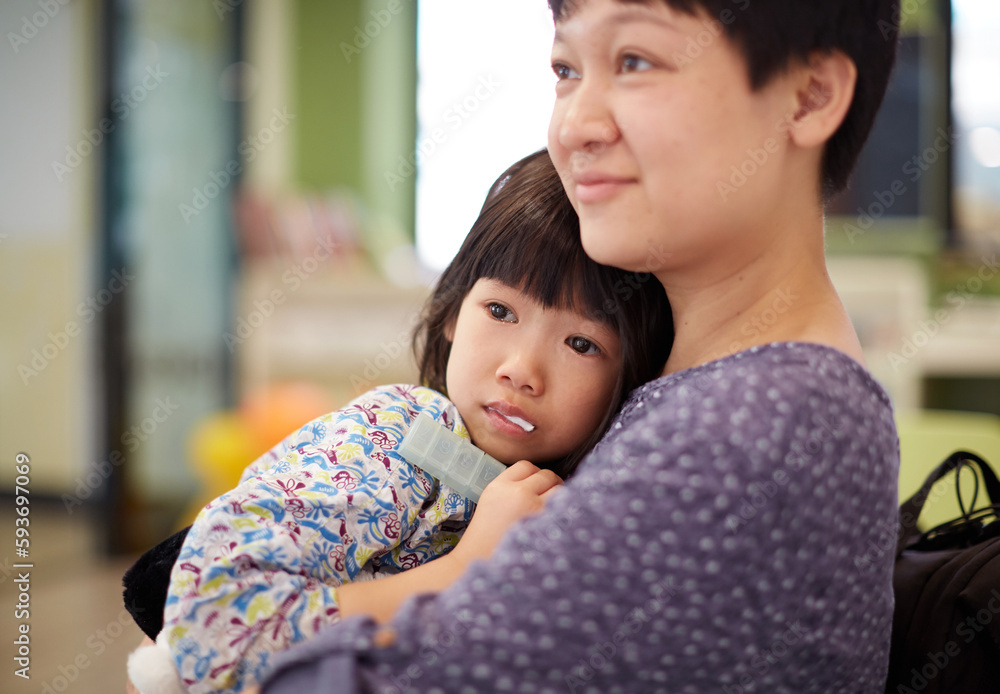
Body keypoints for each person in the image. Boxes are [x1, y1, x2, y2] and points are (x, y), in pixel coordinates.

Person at [247, 1, 903, 692]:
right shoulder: (704, 381)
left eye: (635, 62)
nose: (574, 126)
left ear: (809, 97)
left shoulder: (747, 429)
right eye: (565, 68)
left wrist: (215, 650)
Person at [125, 149, 673, 694]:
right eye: (501, 311)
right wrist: (468, 565)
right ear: (455, 311)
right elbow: (218, 615)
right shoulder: (401, 436)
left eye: (581, 343)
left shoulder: (590, 496)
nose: (521, 371)